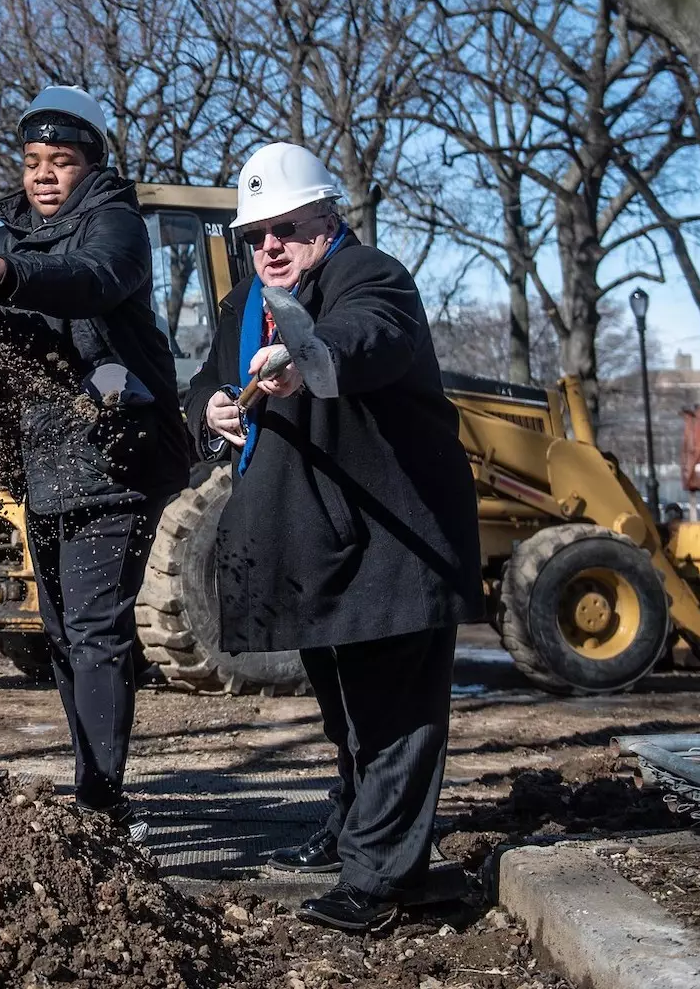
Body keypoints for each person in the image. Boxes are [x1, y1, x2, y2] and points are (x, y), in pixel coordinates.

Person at [186, 142, 483, 935]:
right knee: (347, 715)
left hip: (395, 543)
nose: (269, 246)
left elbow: (367, 335)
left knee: (395, 715)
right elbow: (206, 381)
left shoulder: (370, 276)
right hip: (315, 545)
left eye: (287, 227)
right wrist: (210, 407)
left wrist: (309, 355)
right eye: (256, 235)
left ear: (329, 218)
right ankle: (353, 830)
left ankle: (384, 882)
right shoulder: (244, 302)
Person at [0, 86, 192, 841]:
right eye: (33, 161)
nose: (44, 175)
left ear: (90, 165)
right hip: (44, 460)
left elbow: (92, 282)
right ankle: (92, 787)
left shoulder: (115, 223)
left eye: (61, 161)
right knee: (65, 629)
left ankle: (104, 801)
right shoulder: (6, 232)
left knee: (99, 625)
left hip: (118, 452)